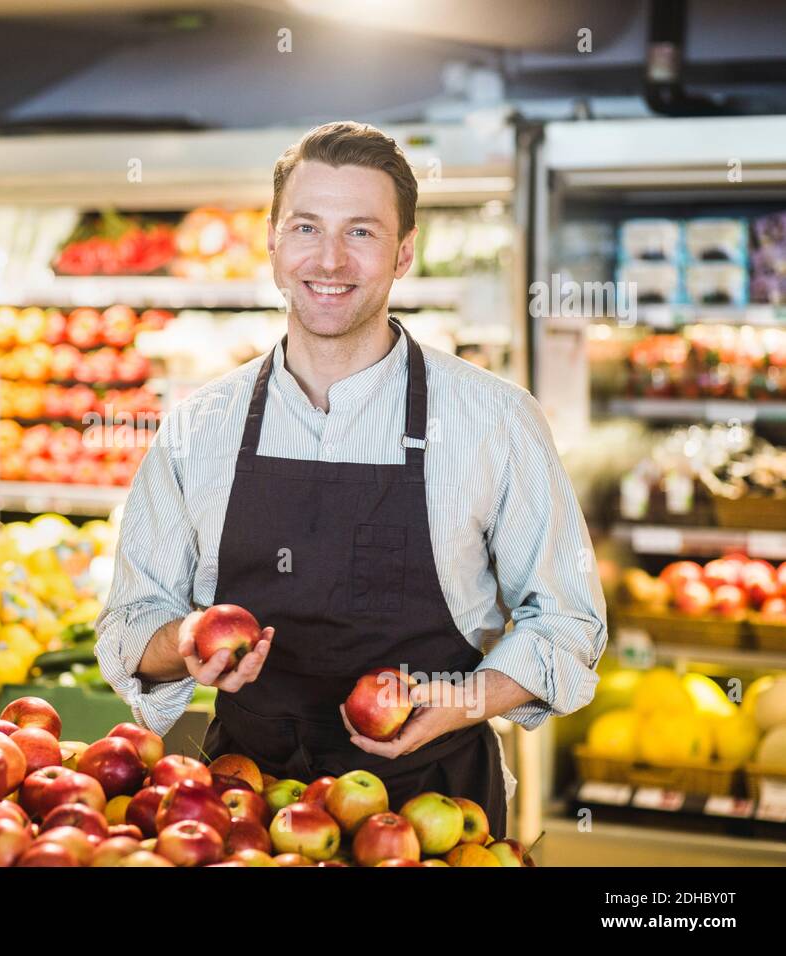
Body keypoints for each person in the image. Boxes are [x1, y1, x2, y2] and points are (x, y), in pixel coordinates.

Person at [95, 121, 608, 838]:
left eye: (361, 232)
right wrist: (181, 643)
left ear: (403, 254)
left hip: (434, 812)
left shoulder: (495, 420)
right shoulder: (196, 429)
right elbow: (130, 622)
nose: (329, 259)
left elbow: (569, 622)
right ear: (272, 245)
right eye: (306, 227)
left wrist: (462, 700)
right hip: (245, 810)